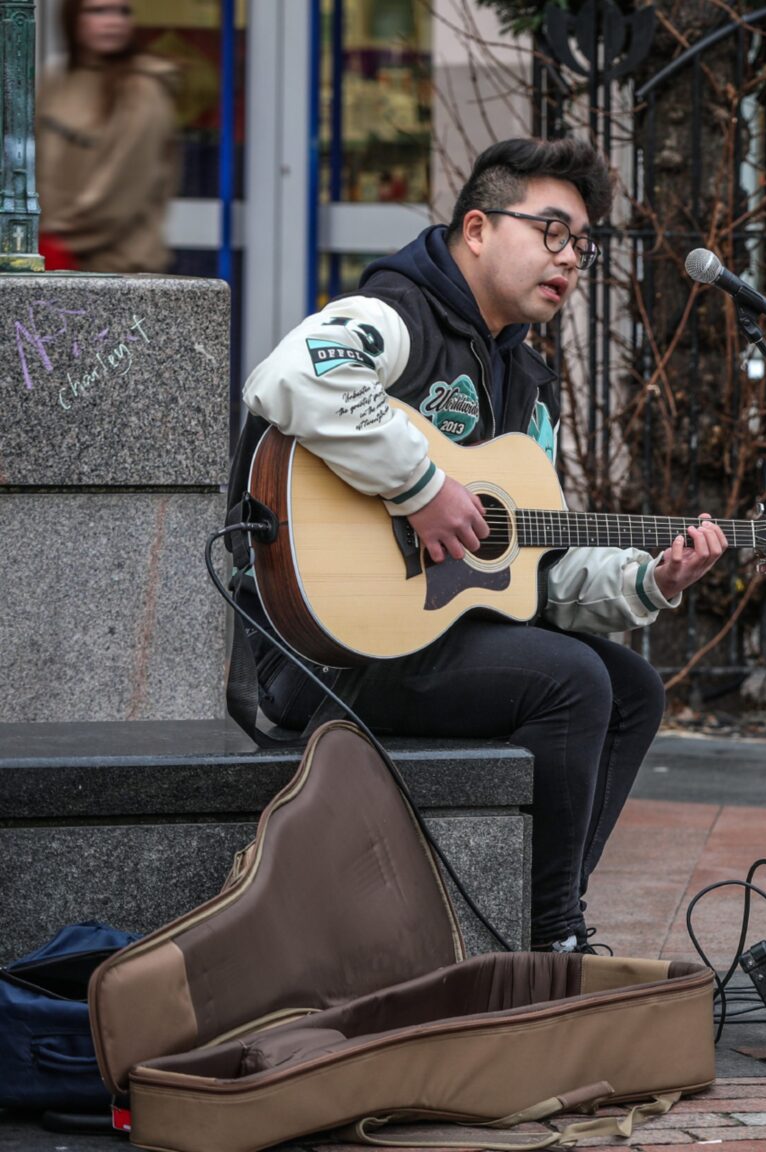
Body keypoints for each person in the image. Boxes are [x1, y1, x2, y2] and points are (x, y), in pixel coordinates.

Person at [229, 138, 729, 952]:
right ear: (477, 228)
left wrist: (653, 580)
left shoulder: (527, 384)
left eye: (582, 245)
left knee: (632, 688)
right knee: (571, 682)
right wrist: (420, 488)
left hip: (428, 636)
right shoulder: (397, 314)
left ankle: (550, 908)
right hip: (323, 652)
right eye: (552, 232)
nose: (568, 259)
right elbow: (291, 377)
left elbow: (535, 571)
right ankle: (548, 943)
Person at [36, 0, 179, 273]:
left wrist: (53, 240)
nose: (114, 22)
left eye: (123, 11)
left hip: (117, 268)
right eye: (98, 11)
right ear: (72, 17)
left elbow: (122, 187)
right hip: (52, 263)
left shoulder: (142, 88)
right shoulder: (55, 82)